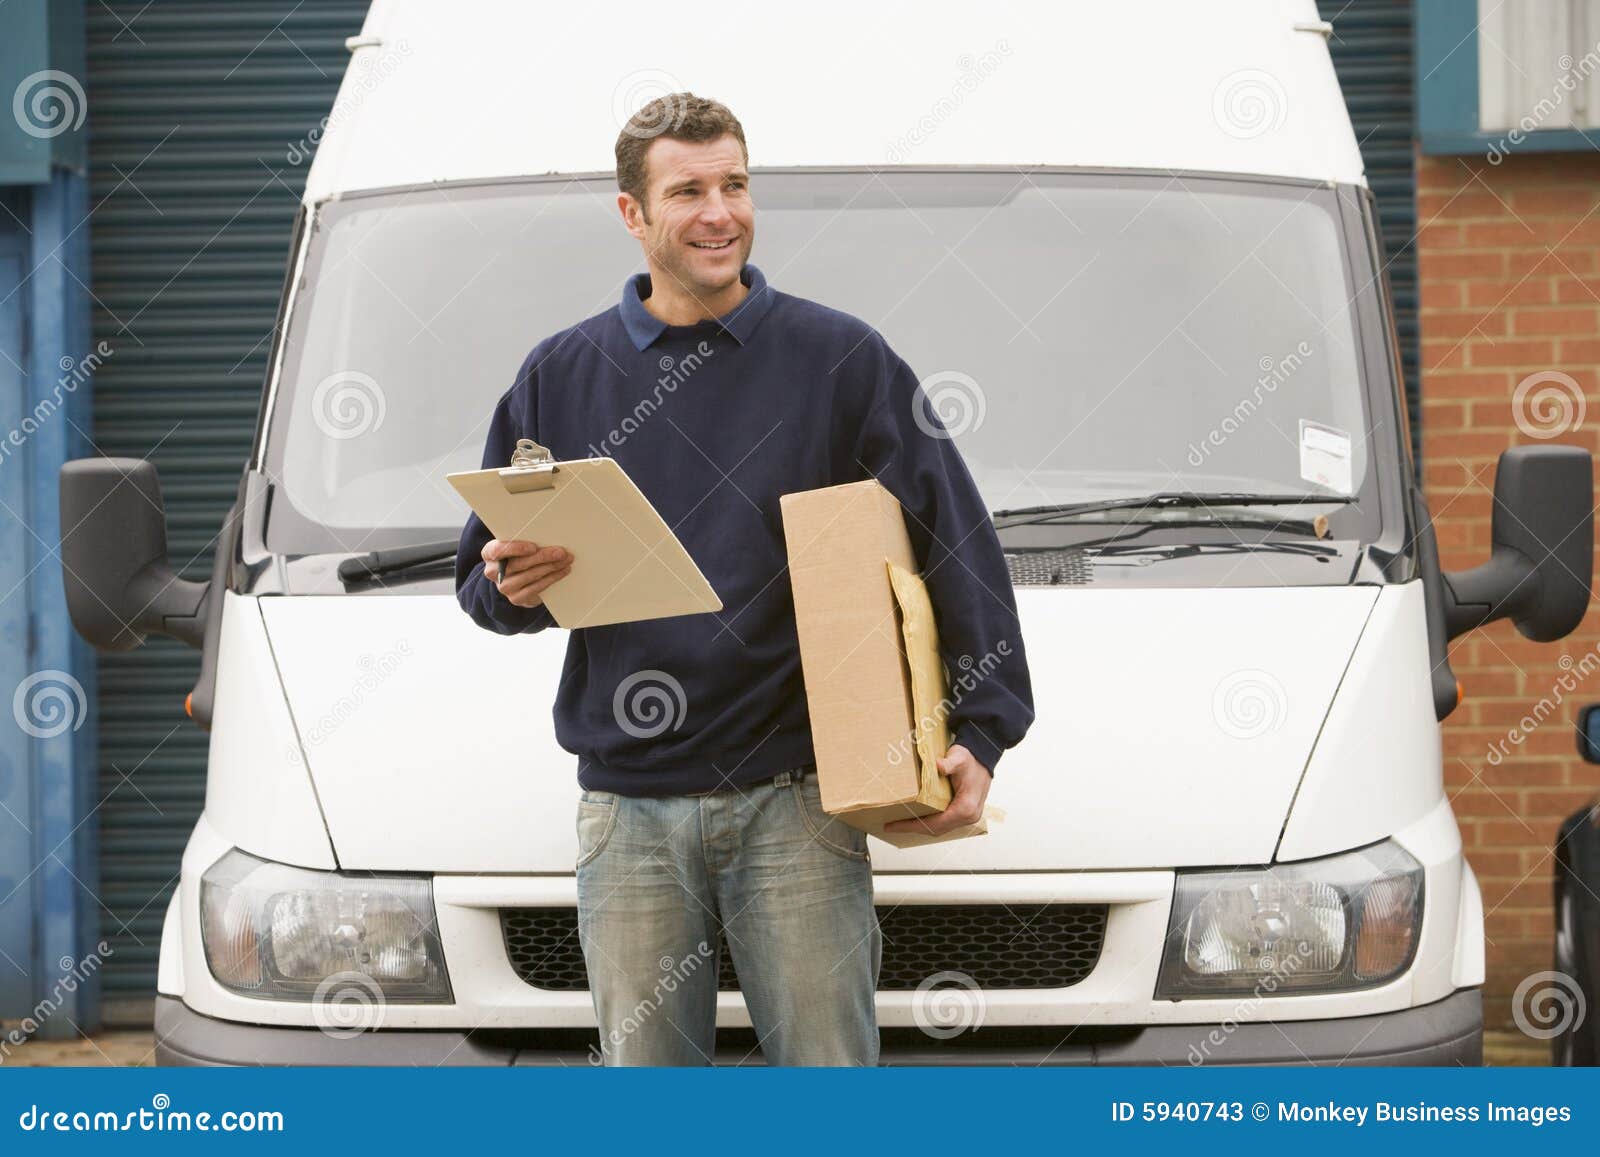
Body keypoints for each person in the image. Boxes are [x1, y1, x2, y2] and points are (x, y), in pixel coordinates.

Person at [454, 92, 1034, 1065]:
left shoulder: (839, 359)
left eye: (734, 184)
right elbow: (483, 577)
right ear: (631, 214)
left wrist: (983, 726)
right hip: (627, 808)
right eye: (688, 190)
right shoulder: (561, 373)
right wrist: (510, 589)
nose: (720, 211)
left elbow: (953, 541)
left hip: (797, 798)